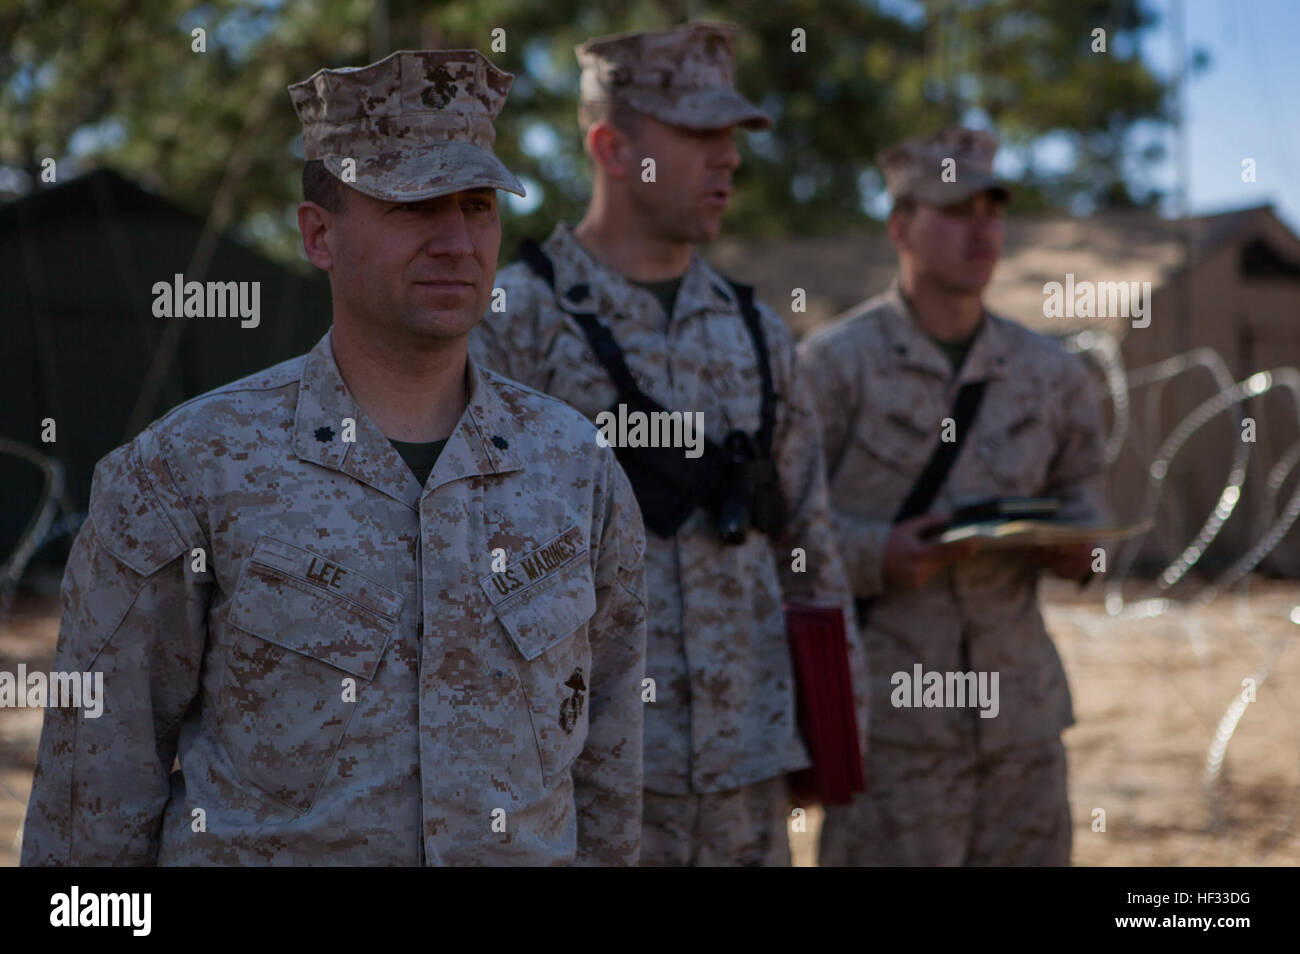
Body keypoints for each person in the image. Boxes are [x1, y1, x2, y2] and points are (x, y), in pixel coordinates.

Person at [21, 49, 647, 866]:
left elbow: (610, 767)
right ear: (319, 234)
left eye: (478, 204)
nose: (457, 240)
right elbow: (93, 797)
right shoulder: (187, 468)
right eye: (414, 206)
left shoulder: (576, 470)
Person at [471, 22, 863, 867]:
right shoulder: (513, 322)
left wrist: (833, 733)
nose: (728, 159)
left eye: (733, 137)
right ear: (612, 146)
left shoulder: (762, 336)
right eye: (699, 135)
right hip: (580, 777)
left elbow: (811, 548)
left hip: (747, 774)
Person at [800, 127, 1107, 866]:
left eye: (992, 210)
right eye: (957, 210)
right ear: (900, 226)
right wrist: (880, 554)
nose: (982, 229)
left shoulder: (1052, 372)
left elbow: (1087, 502)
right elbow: (780, 535)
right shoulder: (832, 368)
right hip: (892, 734)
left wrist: (1081, 550)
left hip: (1022, 731)